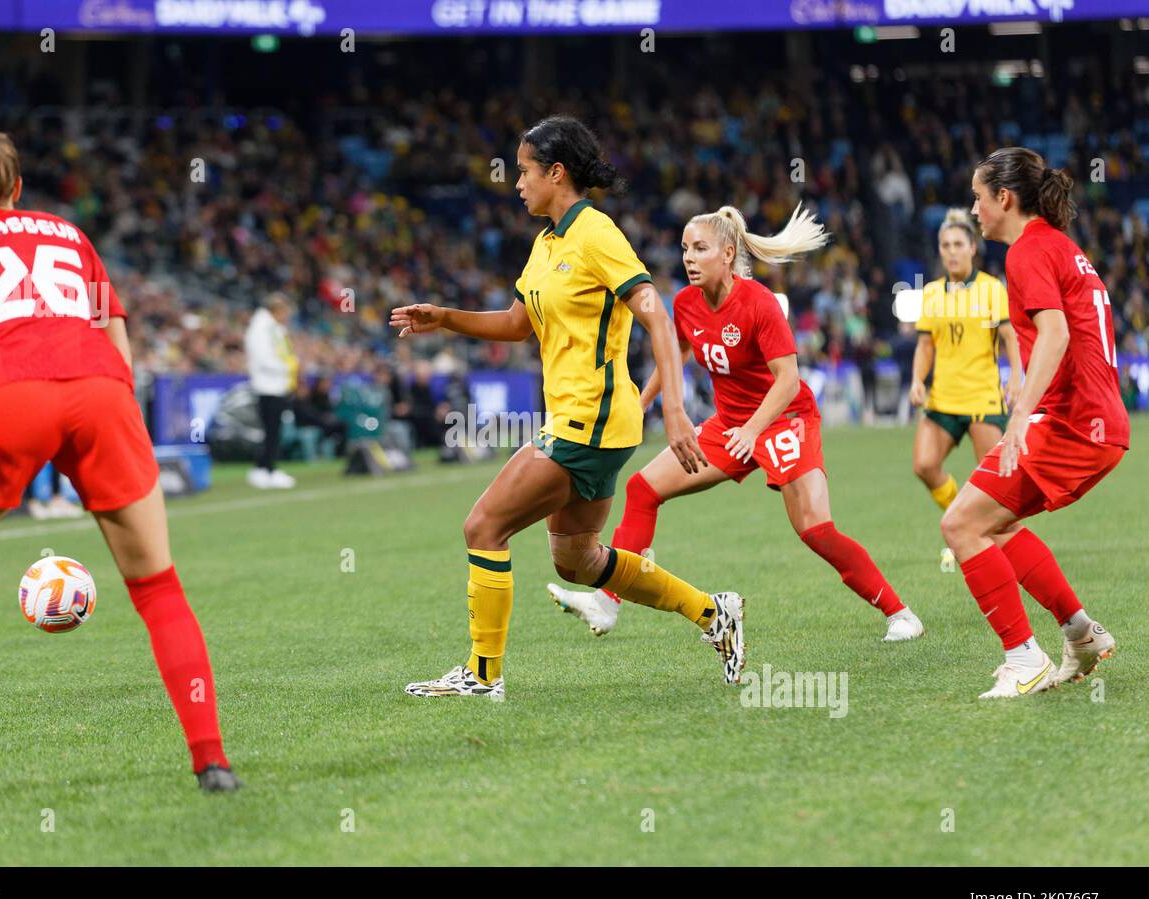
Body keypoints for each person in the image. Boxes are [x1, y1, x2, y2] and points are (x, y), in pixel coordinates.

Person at [0, 127, 240, 798]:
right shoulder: (64, 233)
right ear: (16, 188)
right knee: (157, 588)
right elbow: (112, 320)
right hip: (100, 389)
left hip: (8, 394)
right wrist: (117, 401)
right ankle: (212, 763)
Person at [390, 115, 745, 698]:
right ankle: (714, 613)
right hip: (589, 419)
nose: (517, 181)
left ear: (557, 173)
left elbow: (655, 311)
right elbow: (515, 324)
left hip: (593, 418)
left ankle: (483, 676)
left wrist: (676, 411)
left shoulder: (595, 232)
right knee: (577, 561)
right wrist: (445, 318)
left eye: (525, 170)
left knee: (484, 525)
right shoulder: (547, 242)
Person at [549, 205, 924, 643]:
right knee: (643, 489)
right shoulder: (687, 304)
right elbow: (677, 355)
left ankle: (900, 614)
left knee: (816, 530)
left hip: (785, 420)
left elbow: (789, 381)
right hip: (730, 427)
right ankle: (607, 603)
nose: (689, 257)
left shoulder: (759, 303)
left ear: (728, 254)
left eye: (701, 248)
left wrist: (752, 431)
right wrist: (642, 400)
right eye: (685, 248)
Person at [941, 147, 1128, 699]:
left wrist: (1020, 416)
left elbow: (1056, 334)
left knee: (960, 526)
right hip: (1098, 425)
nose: (973, 210)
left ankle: (1024, 658)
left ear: (1004, 198)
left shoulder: (1026, 252)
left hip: (1075, 425)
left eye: (978, 197)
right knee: (994, 524)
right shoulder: (1059, 247)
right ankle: (1080, 632)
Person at [909, 208, 1022, 570]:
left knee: (998, 493)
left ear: (973, 247)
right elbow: (925, 345)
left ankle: (1017, 559)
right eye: (945, 245)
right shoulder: (930, 293)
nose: (952, 251)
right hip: (943, 399)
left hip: (982, 400)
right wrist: (916, 380)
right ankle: (963, 519)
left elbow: (1009, 336)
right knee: (925, 465)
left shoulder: (992, 289)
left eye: (958, 244)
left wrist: (1017, 375)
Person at [245, 291, 298, 489]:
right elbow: (263, 359)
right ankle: (266, 469)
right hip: (267, 386)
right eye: (285, 312)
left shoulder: (273, 328)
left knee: (274, 430)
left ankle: (265, 467)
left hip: (277, 385)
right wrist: (288, 367)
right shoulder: (260, 329)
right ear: (276, 310)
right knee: (271, 430)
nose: (287, 317)